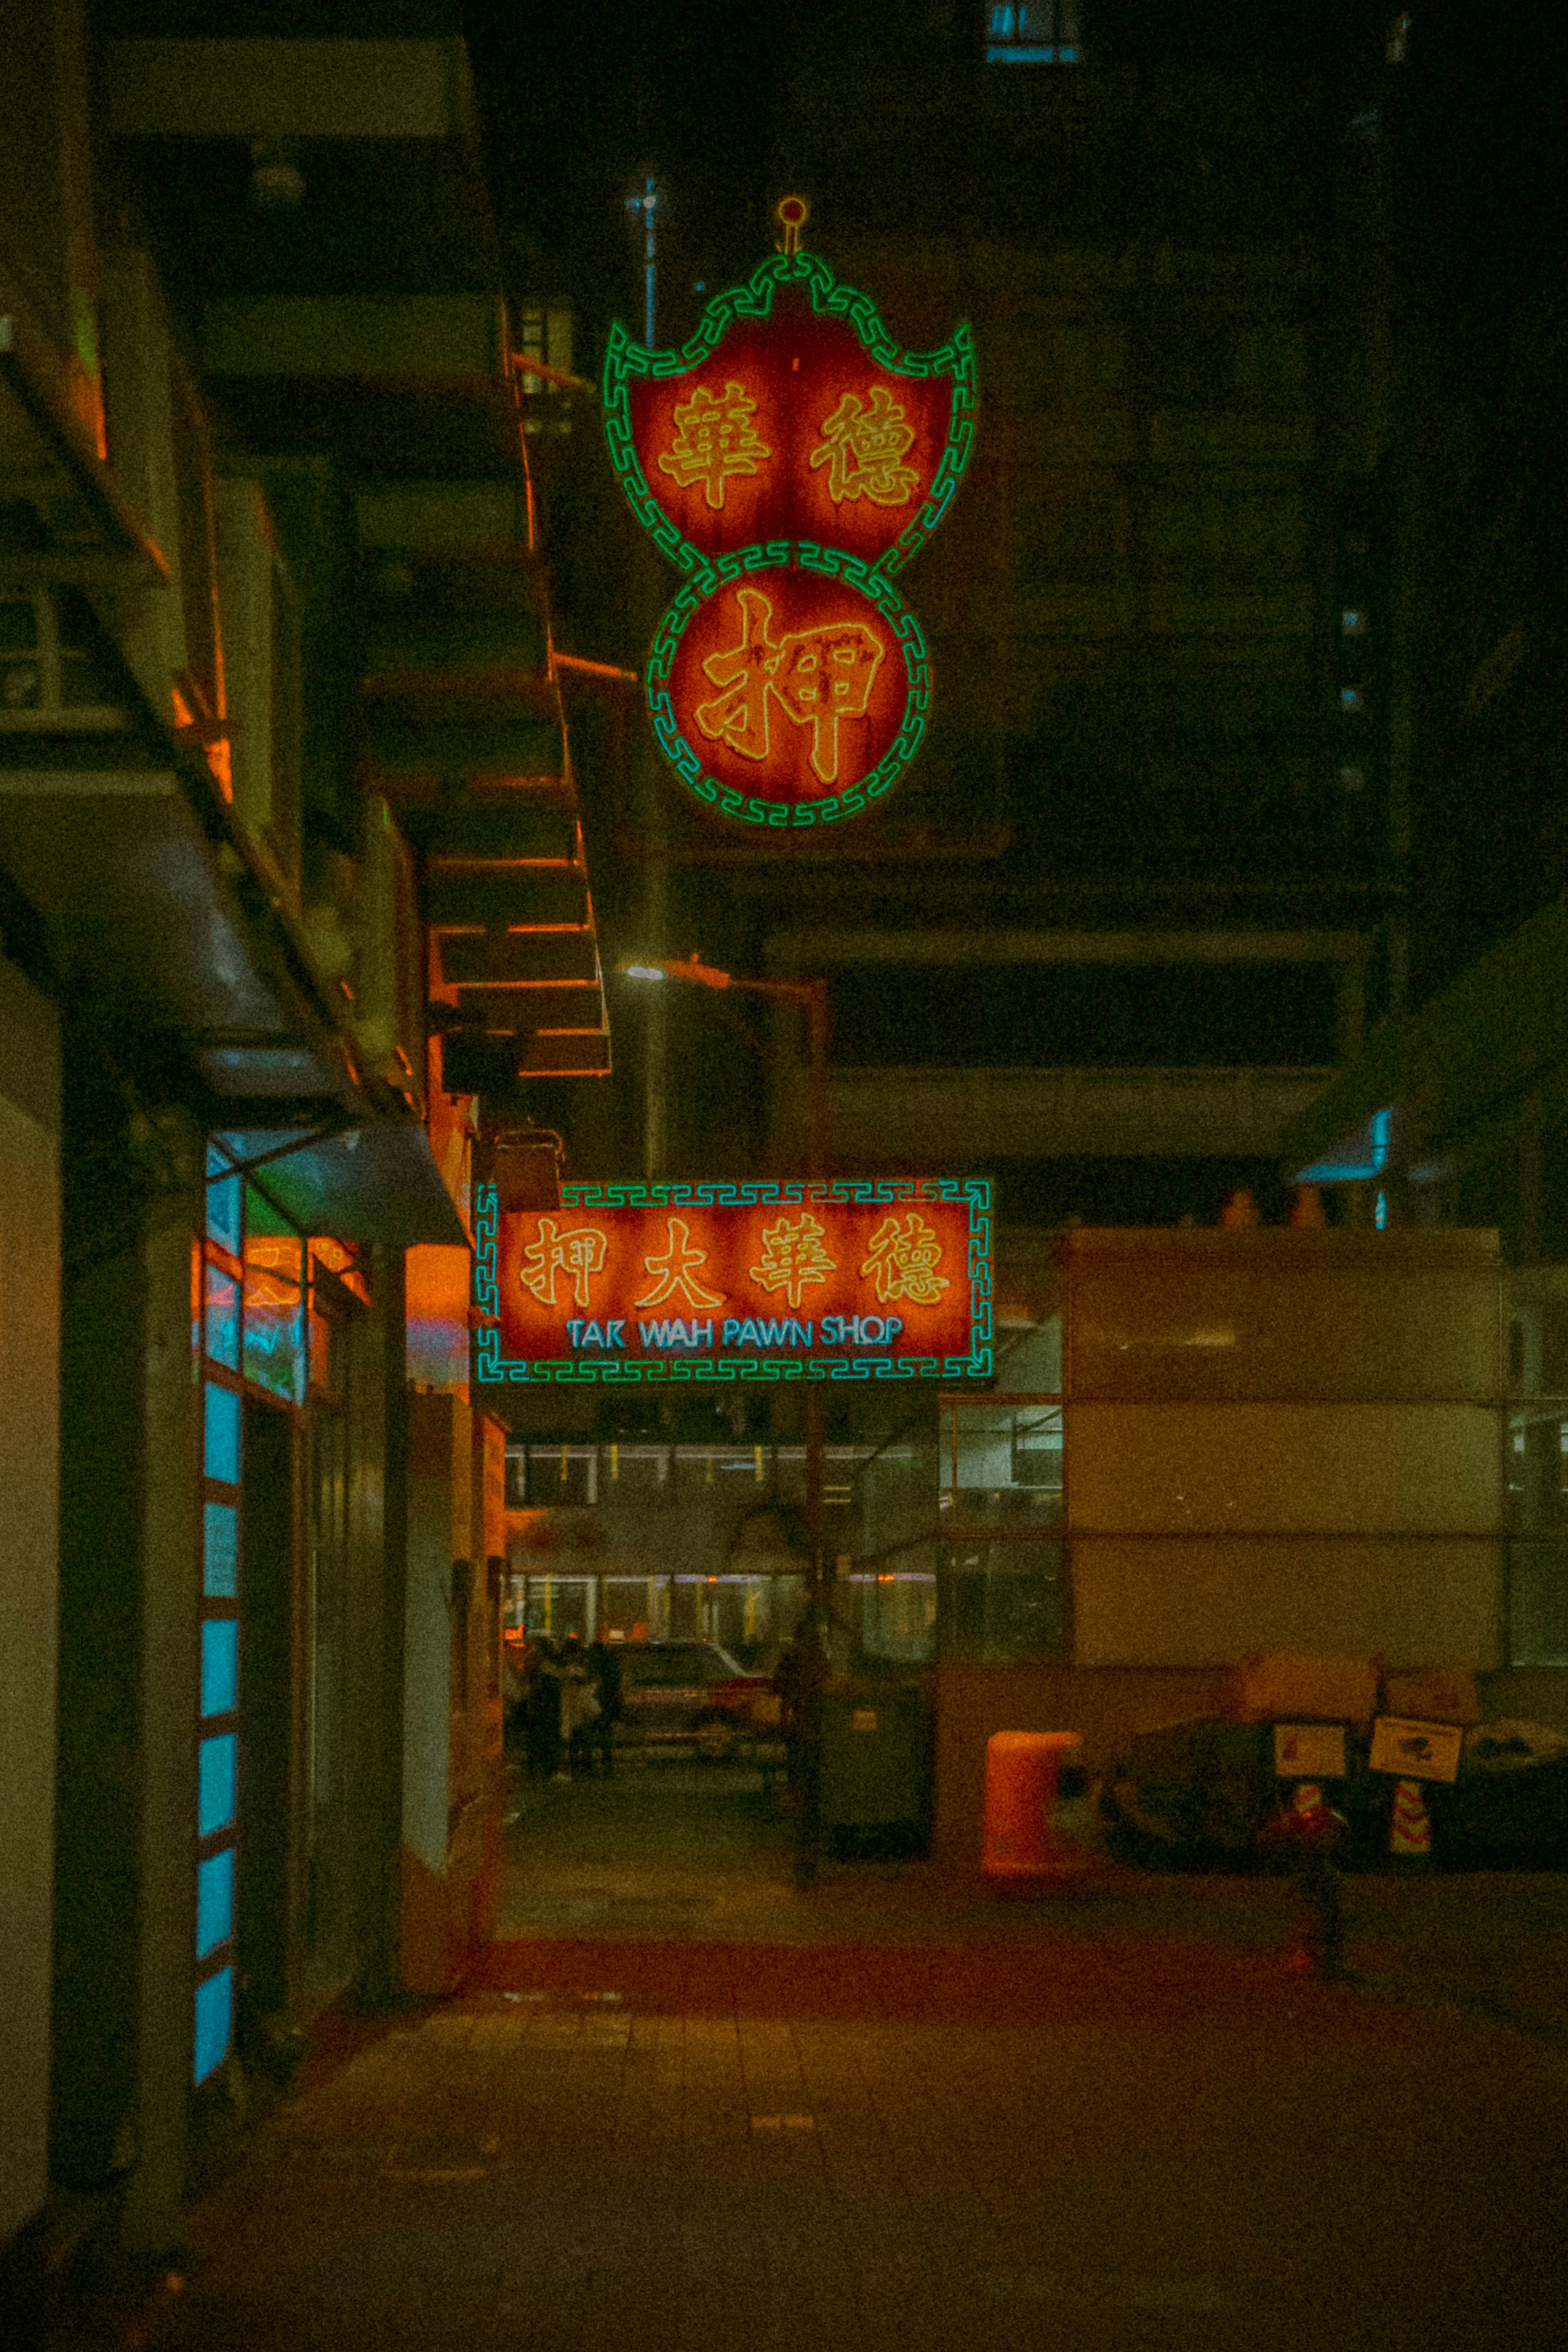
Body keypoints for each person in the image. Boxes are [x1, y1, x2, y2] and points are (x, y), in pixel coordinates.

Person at [586, 1636, 624, 1775]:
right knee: (605, 1736)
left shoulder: (593, 1668)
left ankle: (589, 1764)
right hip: (605, 1704)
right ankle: (607, 1765)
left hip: (594, 1703)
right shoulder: (611, 1668)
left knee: (590, 1735)